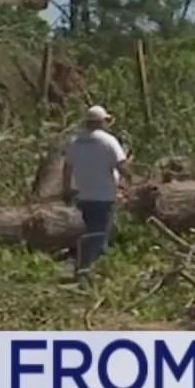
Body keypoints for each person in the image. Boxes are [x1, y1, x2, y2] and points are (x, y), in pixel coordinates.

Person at [62, 105, 131, 279]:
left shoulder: (75, 141)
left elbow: (67, 167)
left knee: (91, 231)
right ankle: (85, 268)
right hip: (103, 195)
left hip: (83, 194)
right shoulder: (108, 141)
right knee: (98, 233)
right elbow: (121, 165)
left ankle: (97, 267)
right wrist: (131, 181)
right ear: (102, 122)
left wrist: (66, 189)